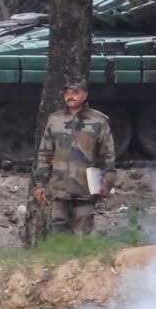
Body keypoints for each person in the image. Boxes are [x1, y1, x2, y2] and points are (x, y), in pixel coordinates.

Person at [31, 76, 117, 236]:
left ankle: (80, 261)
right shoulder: (54, 120)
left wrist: (107, 182)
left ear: (84, 94)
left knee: (82, 234)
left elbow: (107, 155)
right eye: (67, 93)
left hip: (85, 188)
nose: (70, 96)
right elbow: (44, 153)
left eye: (75, 92)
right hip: (58, 187)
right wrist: (40, 183)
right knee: (59, 233)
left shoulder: (98, 121)